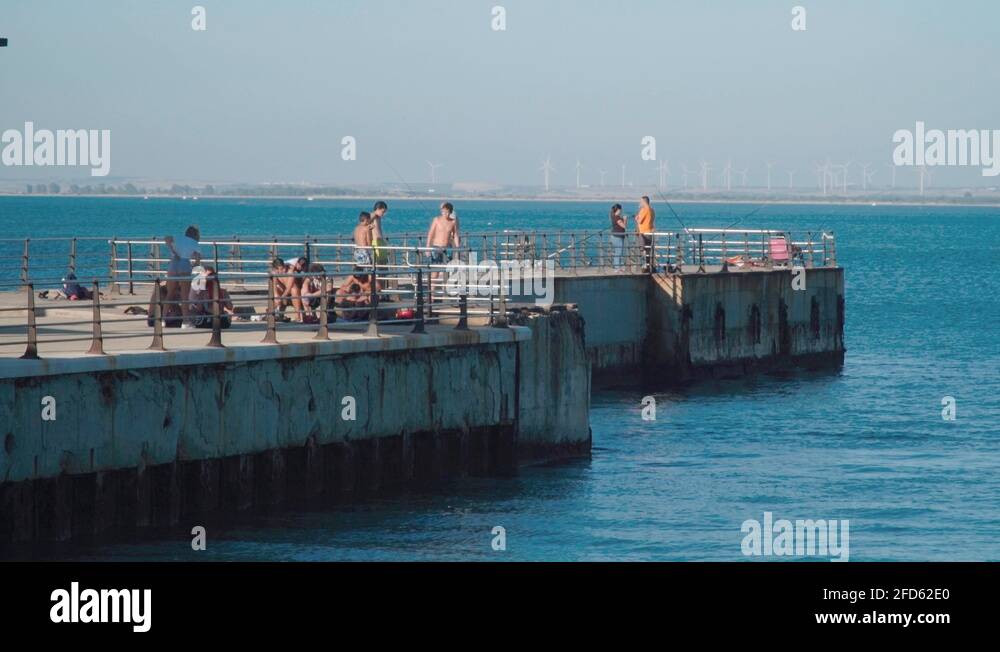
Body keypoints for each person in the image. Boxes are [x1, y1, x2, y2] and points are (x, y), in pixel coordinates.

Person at [164, 226, 202, 327]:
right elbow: (197, 258)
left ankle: (162, 319)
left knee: (170, 293)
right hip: (184, 264)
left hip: (174, 263)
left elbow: (167, 238)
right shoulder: (195, 243)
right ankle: (185, 322)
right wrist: (194, 265)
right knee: (185, 296)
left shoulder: (179, 238)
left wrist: (173, 251)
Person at [635, 196, 656, 272]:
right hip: (650, 232)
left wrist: (636, 218)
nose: (640, 203)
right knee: (648, 250)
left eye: (641, 201)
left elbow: (639, 221)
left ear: (644, 202)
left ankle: (644, 265)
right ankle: (648, 265)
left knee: (642, 249)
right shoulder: (652, 210)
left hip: (643, 232)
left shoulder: (644, 210)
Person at [369, 201, 389, 266]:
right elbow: (365, 224)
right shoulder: (373, 215)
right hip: (376, 242)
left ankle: (382, 275)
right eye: (383, 212)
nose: (383, 214)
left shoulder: (378, 217)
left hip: (380, 242)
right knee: (377, 262)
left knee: (383, 262)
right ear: (378, 209)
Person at [609, 204, 626, 270]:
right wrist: (625, 219)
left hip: (614, 236)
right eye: (621, 209)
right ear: (618, 209)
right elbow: (624, 226)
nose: (621, 210)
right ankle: (617, 268)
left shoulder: (613, 216)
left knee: (617, 252)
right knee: (618, 253)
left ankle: (617, 267)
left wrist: (622, 218)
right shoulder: (617, 217)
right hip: (618, 237)